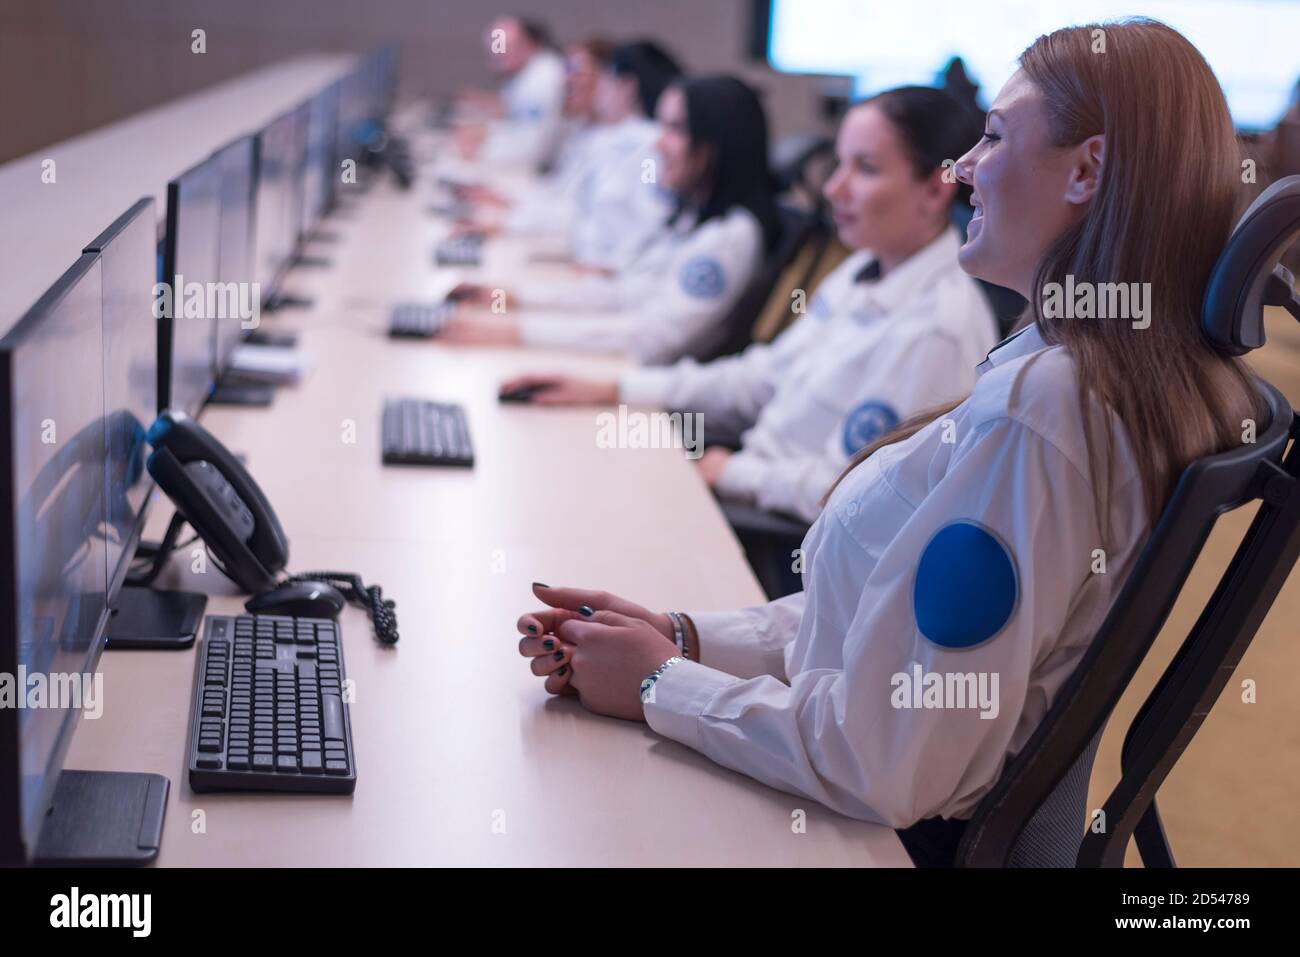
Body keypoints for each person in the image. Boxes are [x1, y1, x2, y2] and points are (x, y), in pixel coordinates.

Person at [513, 19, 1263, 866]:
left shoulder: (1045, 409)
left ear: (1086, 170)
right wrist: (685, 636)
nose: (966, 169)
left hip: (883, 836)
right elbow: (877, 621)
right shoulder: (1063, 369)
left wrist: (660, 685)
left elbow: (886, 762)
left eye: (992, 135)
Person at [498, 86, 998, 522]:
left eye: (864, 168)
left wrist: (732, 472)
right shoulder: (861, 271)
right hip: (741, 476)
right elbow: (760, 379)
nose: (832, 188)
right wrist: (613, 387)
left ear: (936, 187)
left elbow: (856, 495)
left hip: (774, 531)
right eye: (838, 164)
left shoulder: (936, 330)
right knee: (565, 466)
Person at [439, 75, 780, 365]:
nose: (658, 144)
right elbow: (624, 294)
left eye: (676, 129)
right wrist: (511, 297)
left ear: (714, 145)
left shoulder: (729, 238)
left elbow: (650, 340)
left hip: (653, 410)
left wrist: (517, 330)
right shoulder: (692, 218)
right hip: (620, 373)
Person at [472, 40, 684, 272]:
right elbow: (575, 204)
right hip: (587, 263)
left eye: (602, 79)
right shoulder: (600, 136)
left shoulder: (647, 148)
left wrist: (508, 221)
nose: (567, 81)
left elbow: (646, 224)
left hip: (611, 275)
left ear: (627, 86)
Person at [458, 16, 566, 168]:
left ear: (529, 44)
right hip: (531, 164)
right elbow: (512, 116)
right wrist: (483, 132)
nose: (497, 60)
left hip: (543, 171)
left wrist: (480, 150)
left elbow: (532, 151)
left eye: (503, 50)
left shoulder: (543, 78)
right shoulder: (524, 73)